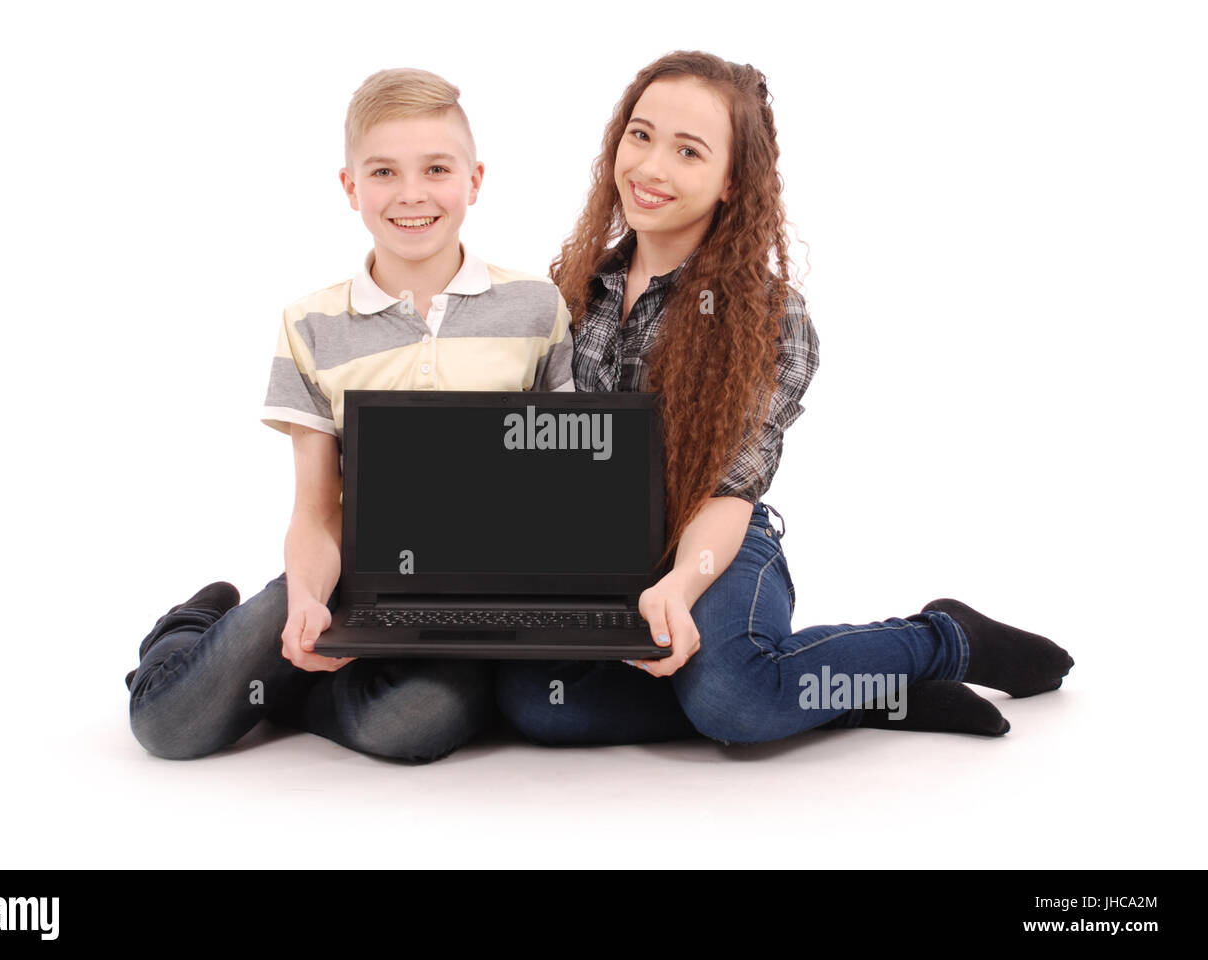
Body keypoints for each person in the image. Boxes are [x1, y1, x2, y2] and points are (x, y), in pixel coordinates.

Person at [494, 50, 1075, 745]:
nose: (650, 168)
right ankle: (848, 693)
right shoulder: (572, 293)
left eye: (688, 151)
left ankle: (940, 643)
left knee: (735, 700)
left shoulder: (769, 321)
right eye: (641, 135)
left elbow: (729, 492)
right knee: (540, 704)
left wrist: (679, 587)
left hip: (718, 540)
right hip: (605, 554)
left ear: (732, 182)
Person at [126, 68, 576, 763]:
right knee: (169, 728)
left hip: (466, 597)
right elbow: (317, 506)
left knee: (415, 726)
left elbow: (561, 477)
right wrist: (308, 597)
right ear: (350, 187)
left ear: (475, 180)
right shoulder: (310, 324)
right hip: (346, 575)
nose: (412, 194)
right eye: (384, 172)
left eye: (436, 168)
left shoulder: (537, 307)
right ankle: (191, 626)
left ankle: (286, 693)